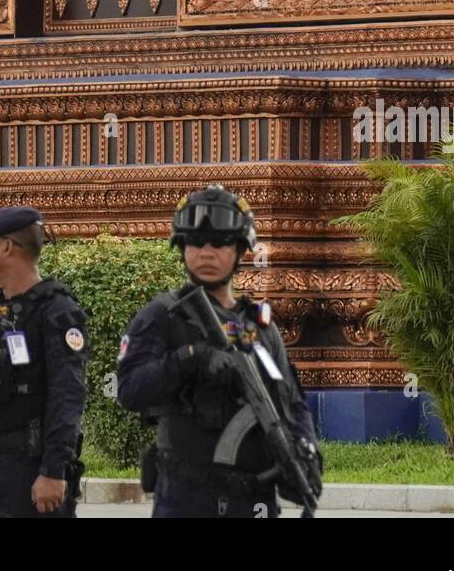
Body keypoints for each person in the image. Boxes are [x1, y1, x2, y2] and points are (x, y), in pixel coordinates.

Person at [117, 185, 321, 519]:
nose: (206, 252)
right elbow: (130, 390)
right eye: (196, 242)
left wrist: (304, 451)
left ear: (241, 250)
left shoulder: (260, 326)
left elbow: (292, 401)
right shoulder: (163, 315)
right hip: (187, 499)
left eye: (220, 242)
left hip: (254, 501)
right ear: (182, 248)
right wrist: (190, 358)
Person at [0, 206, 87, 519]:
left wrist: (54, 471)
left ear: (7, 246)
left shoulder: (57, 312)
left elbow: (68, 395)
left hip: (27, 469)